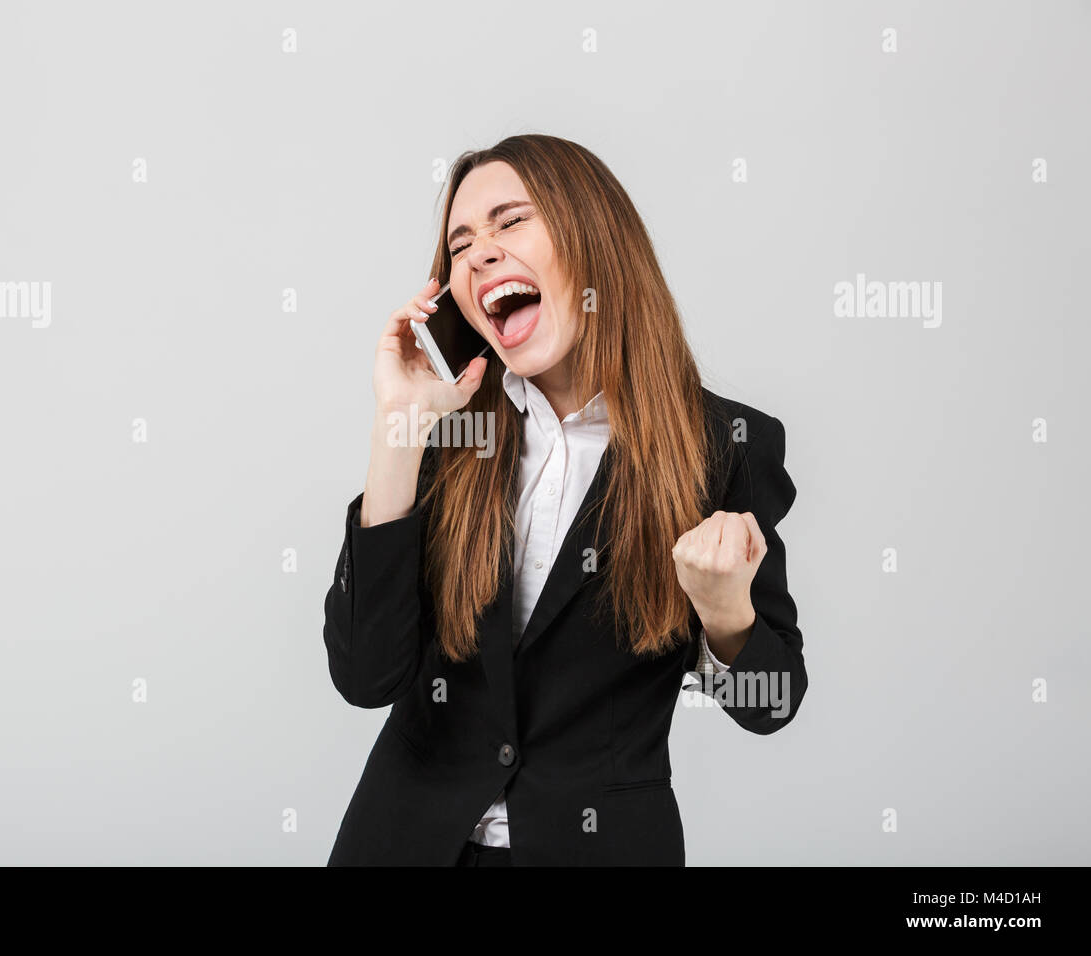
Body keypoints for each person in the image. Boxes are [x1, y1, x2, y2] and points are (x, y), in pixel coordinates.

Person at [322, 133, 807, 866]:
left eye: (510, 221)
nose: (478, 253)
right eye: (459, 244)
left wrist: (724, 609)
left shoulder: (724, 446)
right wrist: (400, 429)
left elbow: (770, 704)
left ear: (593, 242)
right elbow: (366, 679)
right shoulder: (450, 435)